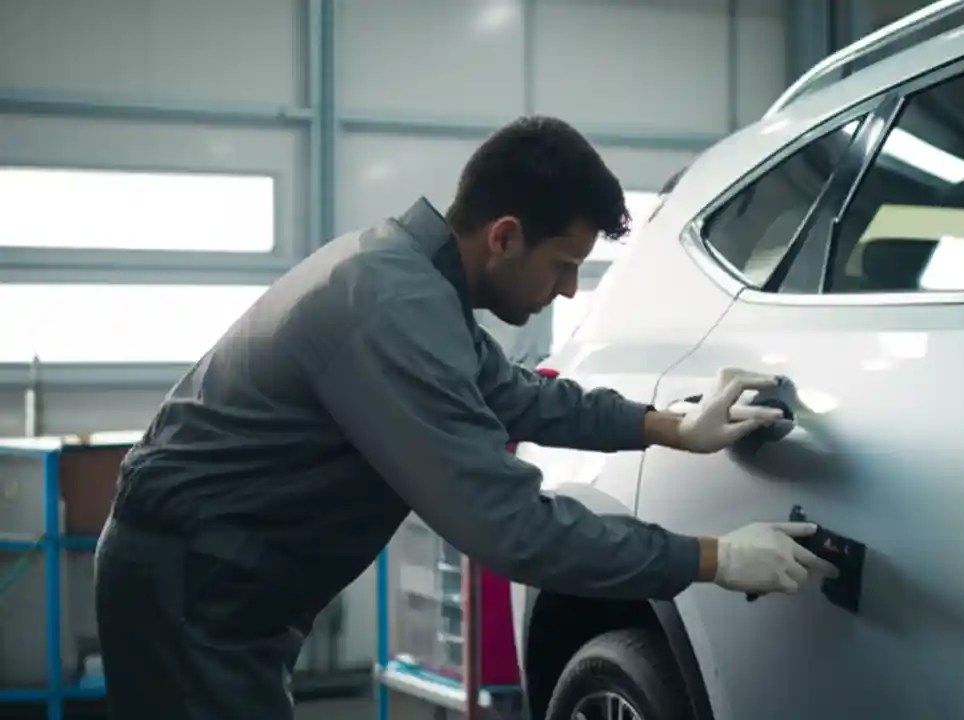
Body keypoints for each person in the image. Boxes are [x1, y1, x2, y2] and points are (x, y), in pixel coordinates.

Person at [93, 115, 839, 718]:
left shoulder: (413, 282)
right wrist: (712, 559)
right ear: (504, 235)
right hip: (191, 591)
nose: (572, 291)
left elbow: (517, 395)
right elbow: (510, 529)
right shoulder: (393, 308)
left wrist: (670, 425)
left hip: (217, 583)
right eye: (562, 263)